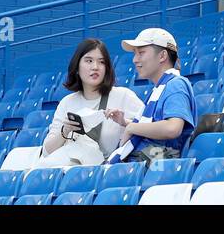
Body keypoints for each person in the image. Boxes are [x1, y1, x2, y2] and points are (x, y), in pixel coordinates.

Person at [39, 38, 145, 166]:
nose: (95, 67)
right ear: (77, 66)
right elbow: (47, 151)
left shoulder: (123, 96)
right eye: (89, 61)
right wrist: (65, 130)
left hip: (110, 170)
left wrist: (125, 123)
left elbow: (148, 128)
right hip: (74, 171)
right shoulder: (67, 102)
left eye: (101, 62)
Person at [104, 27, 196, 163]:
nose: (135, 59)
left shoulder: (175, 84)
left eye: (141, 52)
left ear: (162, 56)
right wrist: (126, 122)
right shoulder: (161, 87)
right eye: (135, 54)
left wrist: (132, 127)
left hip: (162, 161)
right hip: (152, 158)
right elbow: (155, 125)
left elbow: (172, 128)